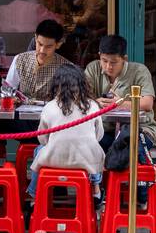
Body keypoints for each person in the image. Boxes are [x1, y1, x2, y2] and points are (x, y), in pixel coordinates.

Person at [85, 34, 156, 209]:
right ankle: (99, 195)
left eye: (113, 62)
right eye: (104, 61)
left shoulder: (139, 71)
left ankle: (141, 198)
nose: (108, 66)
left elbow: (147, 103)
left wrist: (121, 104)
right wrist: (95, 102)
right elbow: (81, 96)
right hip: (104, 130)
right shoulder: (93, 69)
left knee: (131, 150)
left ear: (124, 59)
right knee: (89, 147)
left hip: (139, 130)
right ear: (99, 56)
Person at [27, 65, 105, 206]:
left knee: (38, 150)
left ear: (56, 85)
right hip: (85, 162)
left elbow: (43, 139)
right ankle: (96, 189)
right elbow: (99, 136)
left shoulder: (49, 107)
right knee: (94, 149)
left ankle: (34, 195)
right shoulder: (93, 105)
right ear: (82, 85)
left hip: (54, 160)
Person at [4, 19, 72, 102]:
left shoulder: (66, 68)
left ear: (58, 45)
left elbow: (67, 102)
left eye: (48, 46)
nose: (42, 50)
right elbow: (7, 91)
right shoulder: (20, 60)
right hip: (22, 112)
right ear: (35, 38)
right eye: (40, 44)